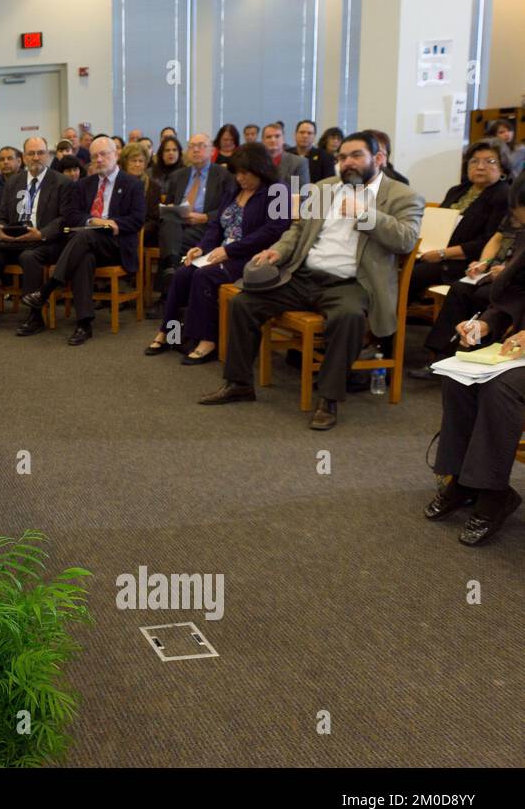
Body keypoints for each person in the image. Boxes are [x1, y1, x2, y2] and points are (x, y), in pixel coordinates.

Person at [199, 132, 424, 430]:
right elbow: (297, 229)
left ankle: (328, 399)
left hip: (351, 283)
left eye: (356, 156)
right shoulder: (325, 189)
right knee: (243, 302)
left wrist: (365, 215)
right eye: (342, 158)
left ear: (378, 159)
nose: (348, 163)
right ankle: (239, 383)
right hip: (303, 275)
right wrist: (276, 252)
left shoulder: (402, 196)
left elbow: (406, 240)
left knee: (348, 317)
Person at [425, 174, 525, 545]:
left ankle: (493, 492)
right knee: (459, 374)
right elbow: (513, 296)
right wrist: (485, 324)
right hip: (517, 348)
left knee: (501, 389)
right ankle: (462, 480)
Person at [145, 143, 289, 363]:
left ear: (261, 169)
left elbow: (272, 232)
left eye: (245, 173)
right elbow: (216, 227)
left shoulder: (276, 191)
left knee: (204, 276)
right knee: (182, 274)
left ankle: (207, 339)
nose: (240, 178)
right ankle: (169, 333)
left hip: (252, 257)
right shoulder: (234, 190)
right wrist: (201, 247)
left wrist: (229, 251)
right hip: (223, 251)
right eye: (237, 173)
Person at [404, 138, 514, 381]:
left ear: (503, 167)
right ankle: (388, 336)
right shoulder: (458, 190)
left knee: (415, 277)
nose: (481, 166)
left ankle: (417, 348)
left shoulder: (502, 195)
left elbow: (486, 240)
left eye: (490, 161)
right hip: (439, 254)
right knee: (399, 270)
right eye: (475, 161)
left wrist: (443, 253)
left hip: (465, 261)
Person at [20, 136, 146, 345]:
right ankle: (84, 323)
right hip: (87, 244)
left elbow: (137, 219)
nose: (98, 159)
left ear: (115, 155)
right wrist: (91, 220)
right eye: (95, 155)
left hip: (116, 244)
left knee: (85, 237)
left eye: (103, 154)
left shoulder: (132, 184)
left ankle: (48, 288)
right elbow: (71, 215)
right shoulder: (84, 184)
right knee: (84, 255)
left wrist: (113, 223)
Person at [0, 136, 75, 335]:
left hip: (46, 242)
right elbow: (1, 213)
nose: (36, 157)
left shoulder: (61, 182)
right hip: (15, 240)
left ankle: (34, 316)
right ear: (24, 157)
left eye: (40, 153)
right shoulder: (14, 182)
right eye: (31, 153)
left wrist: (41, 234)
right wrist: (0, 230)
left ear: (47, 155)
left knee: (29, 257)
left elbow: (65, 219)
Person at [159, 133, 236, 288]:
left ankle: (170, 275)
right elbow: (168, 204)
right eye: (191, 146)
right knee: (168, 224)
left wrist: (205, 217)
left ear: (212, 150)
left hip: (205, 226)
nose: (195, 150)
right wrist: (170, 209)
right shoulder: (178, 175)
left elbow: (229, 208)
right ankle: (174, 274)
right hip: (176, 223)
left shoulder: (223, 176)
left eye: (201, 146)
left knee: (173, 241)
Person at [262, 122, 312, 188]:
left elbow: (301, 194)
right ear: (263, 141)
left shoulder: (297, 163)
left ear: (283, 139)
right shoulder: (255, 162)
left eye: (277, 136)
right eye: (268, 137)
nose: (273, 140)